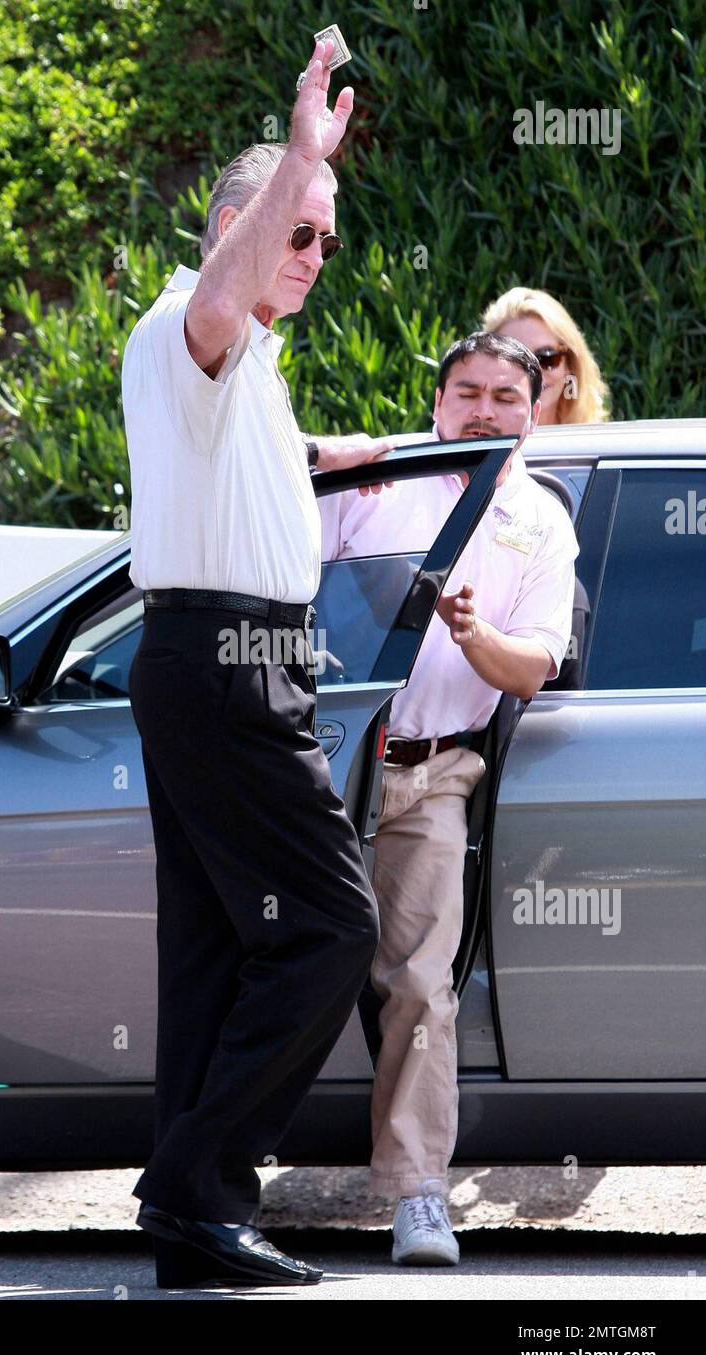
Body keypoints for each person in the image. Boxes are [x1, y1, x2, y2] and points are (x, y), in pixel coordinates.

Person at [120, 38, 394, 1290]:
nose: (314, 252)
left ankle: (194, 1227)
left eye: (326, 235)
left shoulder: (250, 369)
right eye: (299, 227)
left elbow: (248, 456)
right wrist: (298, 154)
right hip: (227, 666)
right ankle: (196, 1185)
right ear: (236, 223)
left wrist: (348, 457)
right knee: (333, 929)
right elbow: (214, 312)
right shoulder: (192, 325)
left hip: (225, 664)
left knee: (221, 950)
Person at [319, 332, 580, 1267]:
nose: (483, 410)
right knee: (280, 967)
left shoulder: (541, 521)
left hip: (435, 776)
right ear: (436, 402)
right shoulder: (374, 479)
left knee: (422, 989)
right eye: (465, 392)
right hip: (320, 768)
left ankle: (417, 1195)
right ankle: (215, 1181)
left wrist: (474, 637)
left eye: (505, 397)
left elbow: (535, 666)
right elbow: (278, 586)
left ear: (535, 409)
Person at [481, 286, 610, 425]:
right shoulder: (471, 444)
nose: (533, 373)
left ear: (569, 365)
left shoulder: (599, 444)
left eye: (547, 358)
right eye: (515, 360)